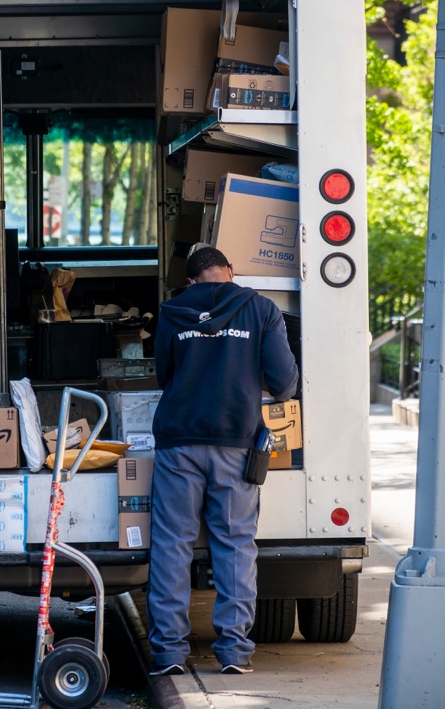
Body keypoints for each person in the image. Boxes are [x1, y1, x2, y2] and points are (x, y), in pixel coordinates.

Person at [147, 246, 298, 677]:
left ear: (192, 280)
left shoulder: (173, 311)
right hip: (236, 441)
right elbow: (285, 382)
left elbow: (164, 374)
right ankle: (233, 652)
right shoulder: (260, 309)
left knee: (172, 546)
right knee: (234, 545)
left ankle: (169, 654)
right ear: (230, 271)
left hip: (179, 443)